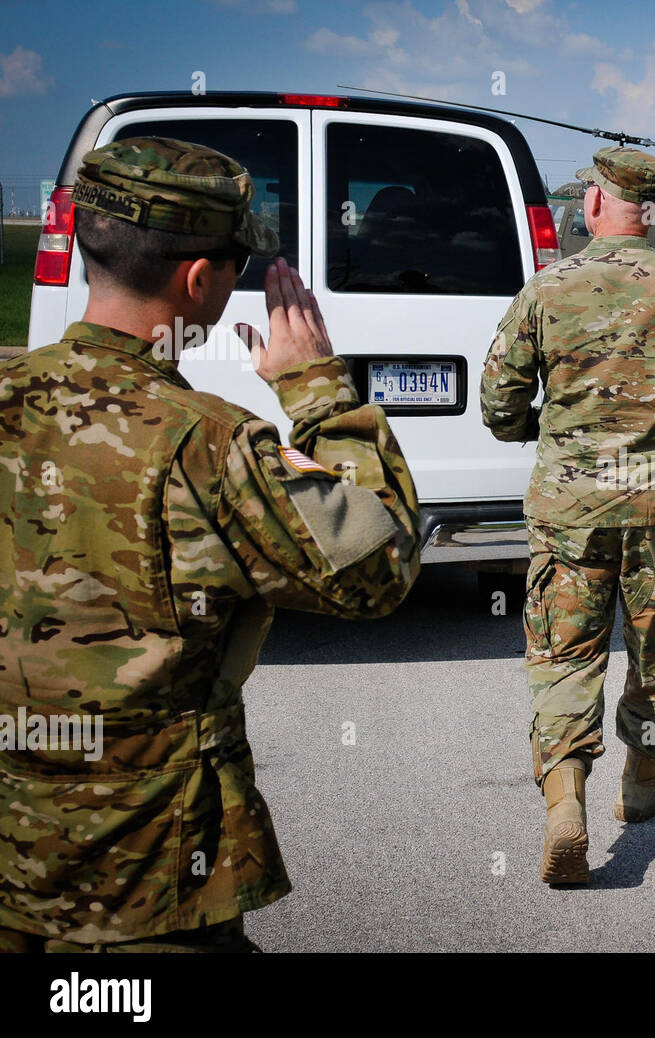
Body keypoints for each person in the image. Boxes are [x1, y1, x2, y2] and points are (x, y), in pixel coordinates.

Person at [0, 138, 422, 952]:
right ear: (202, 281)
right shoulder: (212, 446)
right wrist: (319, 388)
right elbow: (381, 570)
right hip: (147, 872)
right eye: (237, 268)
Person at [481, 145, 655, 886]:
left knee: (565, 654)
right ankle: (641, 782)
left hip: (571, 503)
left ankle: (567, 800)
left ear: (595, 206)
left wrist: (543, 432)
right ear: (652, 212)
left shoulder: (548, 287)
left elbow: (499, 405)